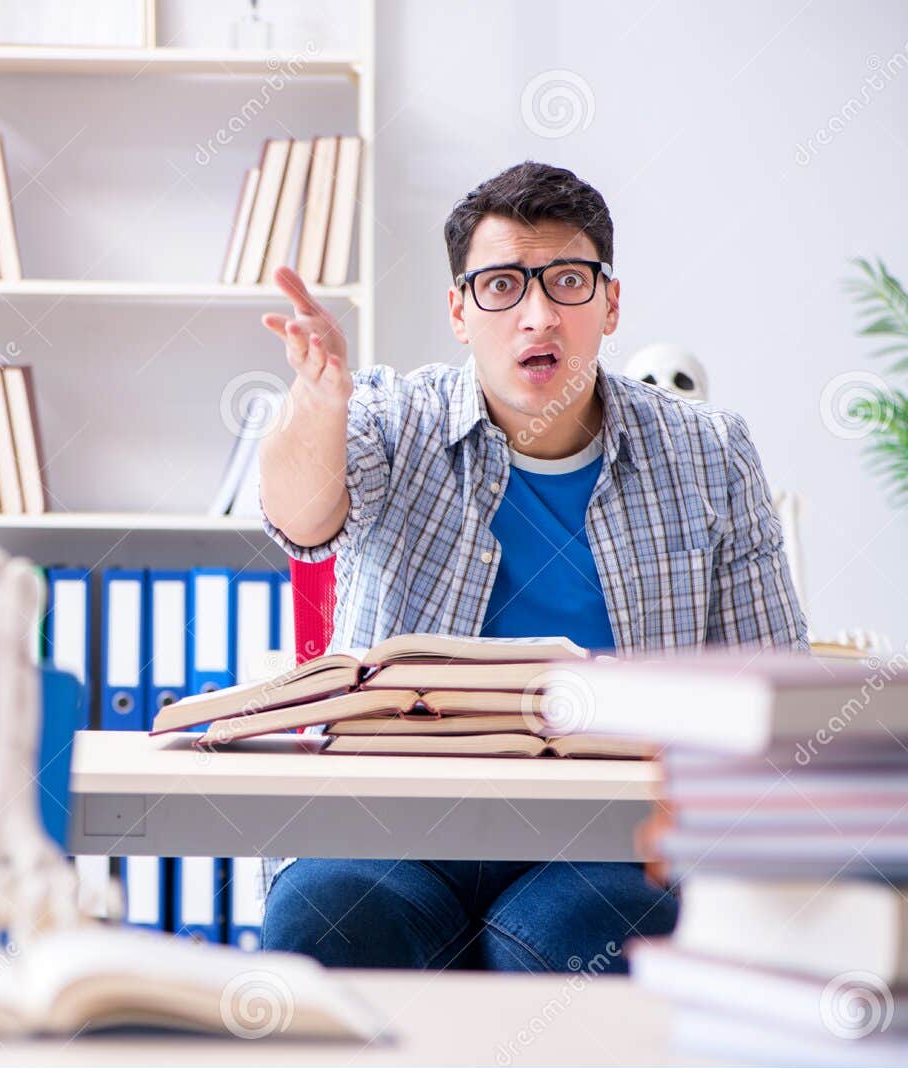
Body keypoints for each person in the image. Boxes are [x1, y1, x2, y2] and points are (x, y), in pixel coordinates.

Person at [255, 160, 807, 972]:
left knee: (592, 944)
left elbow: (774, 685)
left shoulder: (710, 452)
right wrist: (319, 400)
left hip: (606, 837)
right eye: (503, 285)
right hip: (388, 825)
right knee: (330, 923)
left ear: (610, 302)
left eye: (568, 281)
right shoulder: (387, 418)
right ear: (459, 309)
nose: (538, 315)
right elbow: (300, 519)